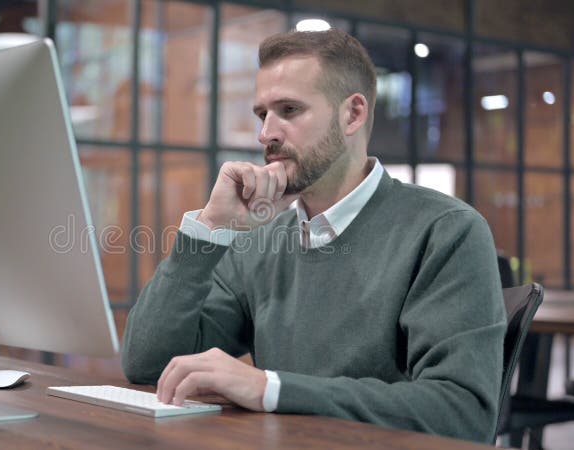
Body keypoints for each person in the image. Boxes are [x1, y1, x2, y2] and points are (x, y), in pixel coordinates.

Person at [121, 28, 506, 444]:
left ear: (353, 115)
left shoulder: (446, 230)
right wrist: (210, 229)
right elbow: (148, 364)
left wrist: (270, 388)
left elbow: (463, 413)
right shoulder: (260, 240)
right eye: (261, 114)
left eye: (288, 110)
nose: (266, 133)